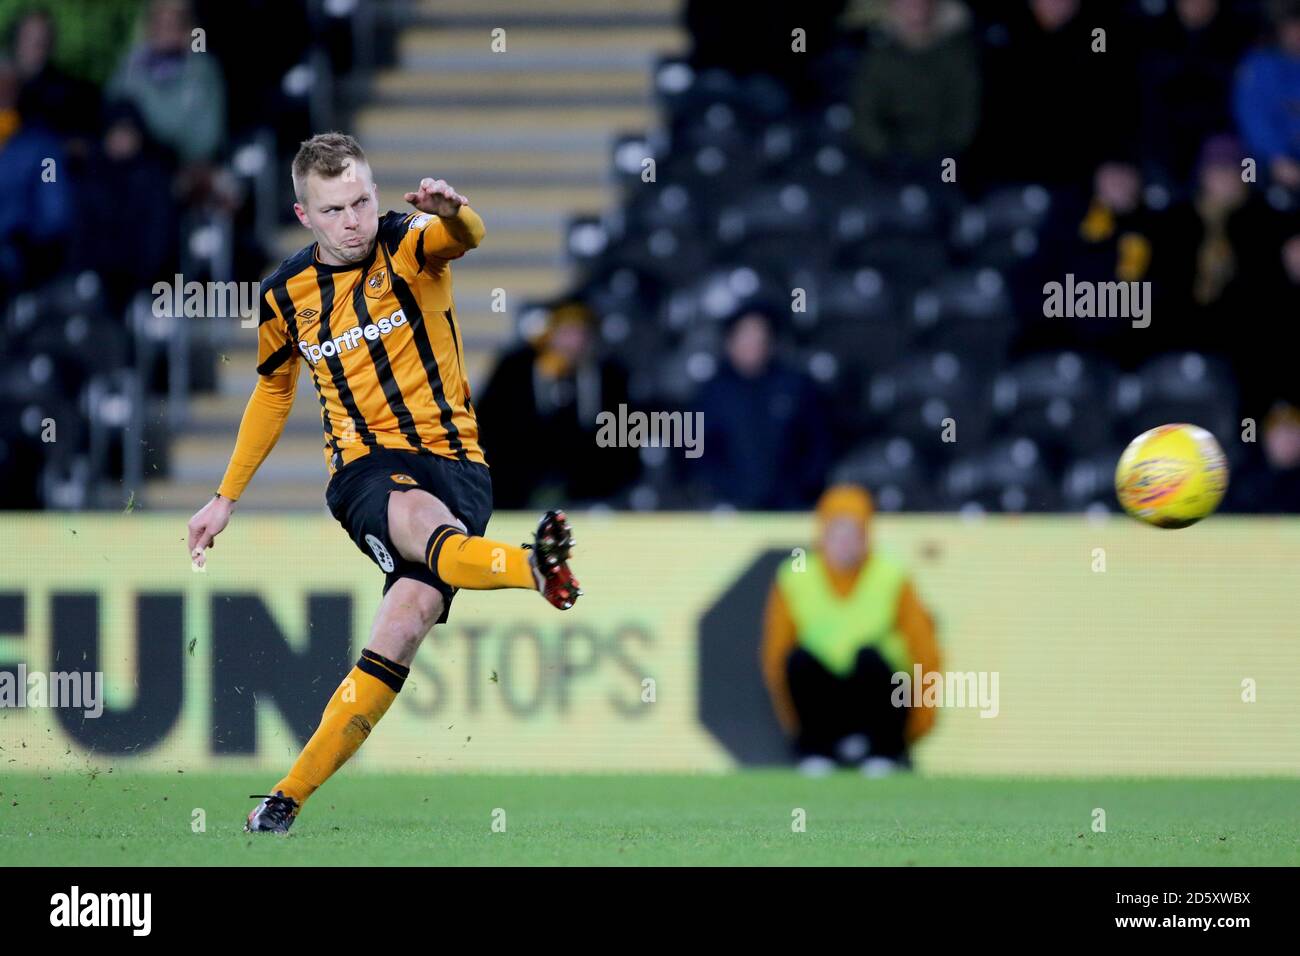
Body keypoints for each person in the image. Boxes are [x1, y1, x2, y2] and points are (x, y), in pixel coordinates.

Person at [183, 132, 583, 833]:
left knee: (402, 625)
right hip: (366, 471)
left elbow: (469, 235)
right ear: (305, 216)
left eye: (362, 200)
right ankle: (534, 567)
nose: (353, 219)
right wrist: (226, 497)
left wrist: (454, 211)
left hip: (459, 463)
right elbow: (274, 394)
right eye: (334, 209)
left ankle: (284, 799)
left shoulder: (408, 243)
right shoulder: (285, 294)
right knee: (415, 519)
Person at [761, 484, 940, 776]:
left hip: (881, 703)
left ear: (867, 535)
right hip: (826, 706)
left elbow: (925, 653)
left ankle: (884, 750)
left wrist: (920, 723)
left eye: (853, 532)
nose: (844, 542)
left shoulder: (892, 575)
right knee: (800, 661)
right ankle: (817, 750)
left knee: (869, 658)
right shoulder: (794, 577)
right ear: (822, 534)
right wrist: (795, 727)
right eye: (836, 532)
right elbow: (776, 658)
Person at [475, 299, 639, 508]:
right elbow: (490, 423)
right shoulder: (514, 369)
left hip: (589, 487)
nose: (574, 341)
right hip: (518, 483)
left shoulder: (609, 375)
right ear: (550, 334)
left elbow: (622, 435)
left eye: (581, 333)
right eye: (567, 331)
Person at [692, 306, 832, 509]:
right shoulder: (711, 393)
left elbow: (817, 444)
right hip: (729, 511)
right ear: (729, 341)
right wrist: (720, 494)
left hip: (790, 508)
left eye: (760, 335)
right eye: (745, 335)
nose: (753, 343)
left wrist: (802, 490)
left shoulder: (795, 386)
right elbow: (699, 454)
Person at [849, 0, 981, 174]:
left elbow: (966, 110)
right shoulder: (879, 57)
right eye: (906, 3)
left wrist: (948, 152)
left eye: (920, 3)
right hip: (890, 160)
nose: (915, 8)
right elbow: (865, 112)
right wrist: (886, 153)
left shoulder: (958, 54)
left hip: (947, 158)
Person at [1234, 0, 1300, 192]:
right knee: (1249, 171)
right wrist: (1277, 157)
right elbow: (1253, 117)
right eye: (1293, 28)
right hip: (1265, 161)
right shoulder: (1261, 65)